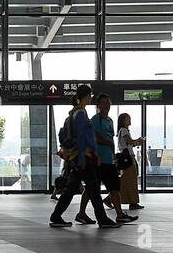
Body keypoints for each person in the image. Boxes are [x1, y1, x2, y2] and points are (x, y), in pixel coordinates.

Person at [50, 85, 117, 228]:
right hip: (84, 157)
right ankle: (103, 219)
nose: (91, 98)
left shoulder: (74, 113)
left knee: (71, 189)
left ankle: (56, 217)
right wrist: (84, 157)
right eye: (90, 95)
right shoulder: (80, 113)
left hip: (77, 156)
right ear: (87, 96)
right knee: (93, 189)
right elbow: (82, 137)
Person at [82, 95, 135, 224]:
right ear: (98, 106)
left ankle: (120, 214)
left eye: (108, 103)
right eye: (103, 103)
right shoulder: (95, 120)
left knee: (114, 188)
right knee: (91, 188)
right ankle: (82, 213)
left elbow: (110, 139)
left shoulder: (110, 121)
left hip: (109, 161)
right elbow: (95, 138)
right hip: (98, 160)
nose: (106, 105)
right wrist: (108, 144)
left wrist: (113, 157)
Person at [115, 112, 146, 211]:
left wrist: (136, 142)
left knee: (126, 180)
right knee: (130, 180)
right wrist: (138, 140)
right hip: (128, 158)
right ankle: (132, 202)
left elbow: (129, 144)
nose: (130, 120)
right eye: (128, 118)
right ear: (123, 120)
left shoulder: (123, 130)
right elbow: (129, 142)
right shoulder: (124, 130)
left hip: (127, 157)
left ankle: (112, 198)